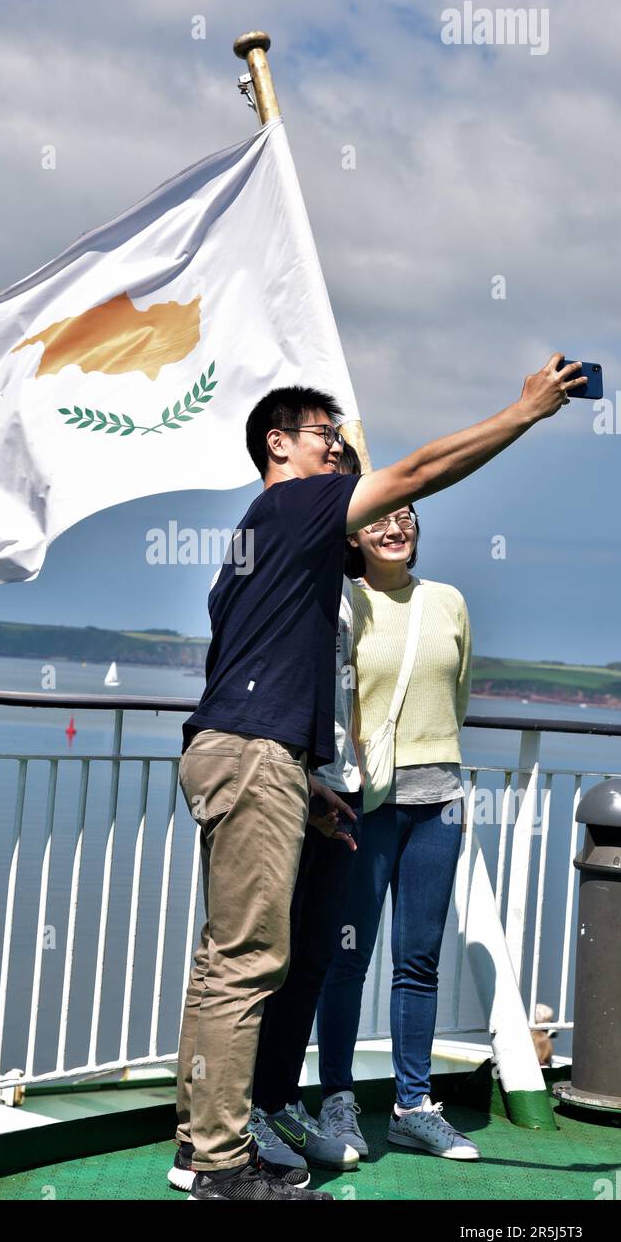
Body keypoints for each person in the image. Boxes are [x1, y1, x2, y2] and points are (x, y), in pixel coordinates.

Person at [171, 354, 585, 1201]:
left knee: (237, 960)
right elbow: (422, 469)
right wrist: (525, 412)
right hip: (251, 755)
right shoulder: (292, 501)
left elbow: (240, 661)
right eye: (331, 442)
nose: (344, 461)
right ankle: (217, 1164)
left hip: (257, 753)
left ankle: (203, 1145)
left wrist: (299, 774)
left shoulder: (259, 538)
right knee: (246, 963)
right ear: (279, 446)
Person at [314, 502, 480, 1161]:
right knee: (346, 957)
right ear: (354, 534)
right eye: (380, 517)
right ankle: (336, 1100)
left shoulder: (448, 601)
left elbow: (457, 693)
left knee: (418, 961)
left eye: (405, 516)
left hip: (437, 798)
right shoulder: (345, 603)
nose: (395, 527)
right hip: (366, 801)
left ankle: (413, 1106)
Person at [245, 441, 366, 1179]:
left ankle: (281, 1098)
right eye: (337, 476)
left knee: (315, 952)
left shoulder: (355, 589)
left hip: (338, 784)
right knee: (261, 956)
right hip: (284, 776)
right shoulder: (290, 557)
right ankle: (242, 1111)